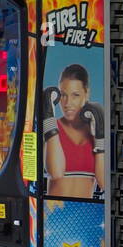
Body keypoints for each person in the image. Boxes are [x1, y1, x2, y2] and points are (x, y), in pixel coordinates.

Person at [43, 63, 105, 198]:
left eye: (75, 95)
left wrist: (100, 140)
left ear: (86, 93)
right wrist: (48, 120)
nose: (67, 103)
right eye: (63, 95)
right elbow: (56, 172)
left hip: (89, 215)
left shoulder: (95, 131)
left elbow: (104, 183)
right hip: (54, 214)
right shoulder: (52, 128)